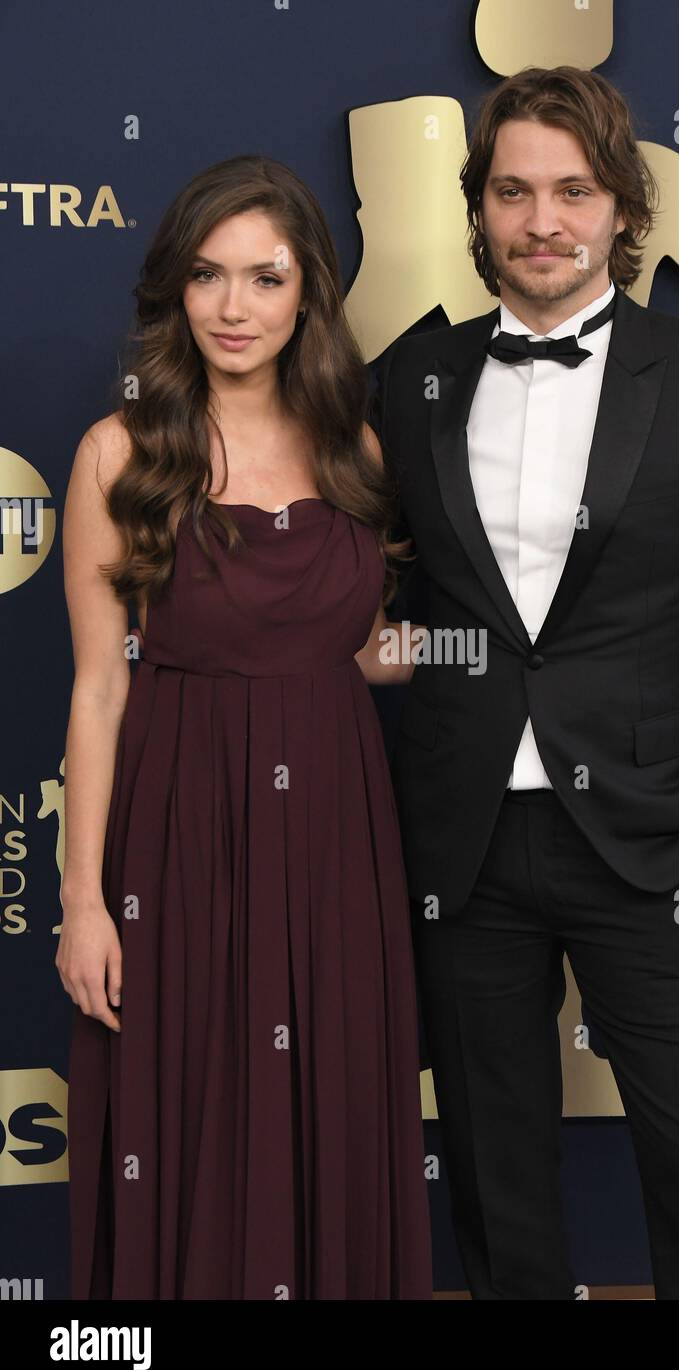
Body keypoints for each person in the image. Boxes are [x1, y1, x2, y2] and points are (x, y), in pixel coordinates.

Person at [371, 67, 679, 1300]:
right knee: (490, 1170)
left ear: (623, 208)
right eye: (513, 192)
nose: (541, 221)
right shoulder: (411, 384)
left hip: (656, 838)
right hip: (462, 843)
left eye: (572, 190)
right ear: (477, 211)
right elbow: (388, 594)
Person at [59, 153, 432, 1300]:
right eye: (210, 276)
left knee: (327, 1091)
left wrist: (507, 646)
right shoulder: (119, 454)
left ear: (306, 292)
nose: (234, 307)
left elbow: (364, 652)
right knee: (193, 1104)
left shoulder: (354, 451)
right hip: (177, 837)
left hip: (332, 835)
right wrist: (81, 904)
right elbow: (98, 688)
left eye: (264, 279)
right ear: (176, 289)